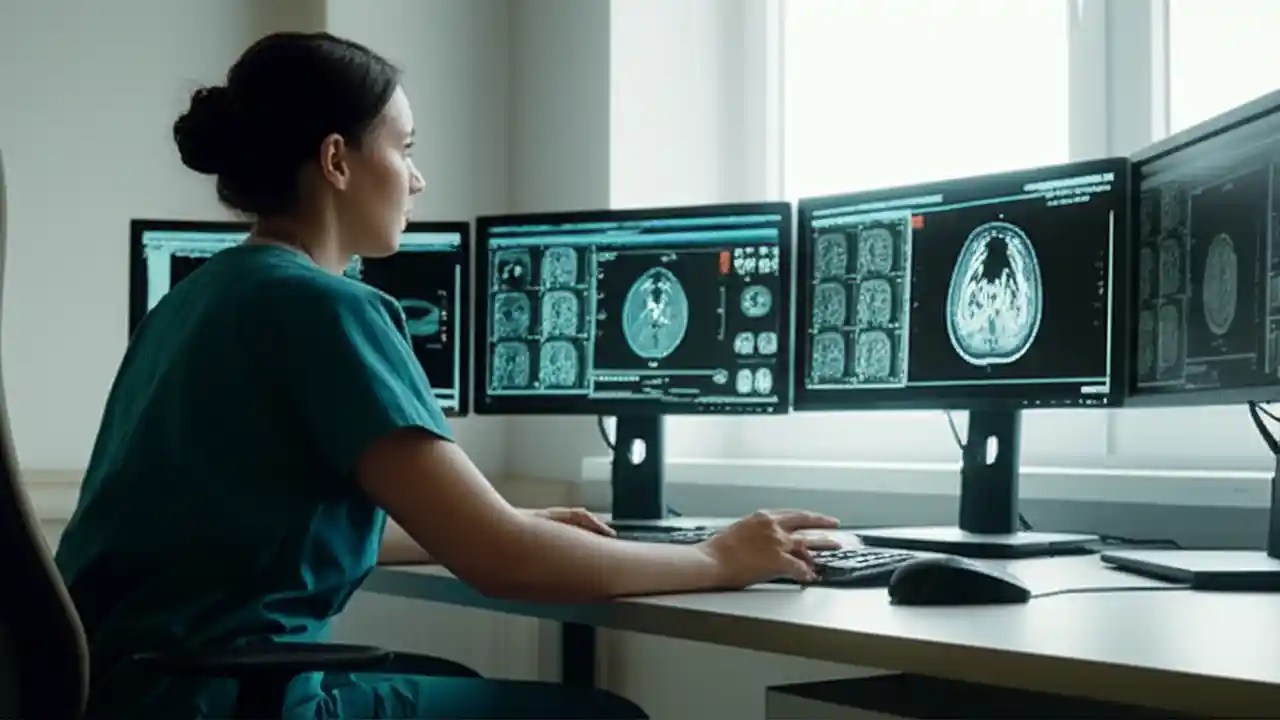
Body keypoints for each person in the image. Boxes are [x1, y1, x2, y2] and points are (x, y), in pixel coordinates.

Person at [52, 31, 840, 719]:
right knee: (601, 715)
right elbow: (501, 563)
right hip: (218, 700)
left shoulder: (196, 301)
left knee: (456, 682)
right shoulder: (327, 309)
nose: (418, 179)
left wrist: (513, 519)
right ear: (336, 160)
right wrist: (718, 559)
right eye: (406, 148)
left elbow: (255, 525)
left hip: (122, 690)